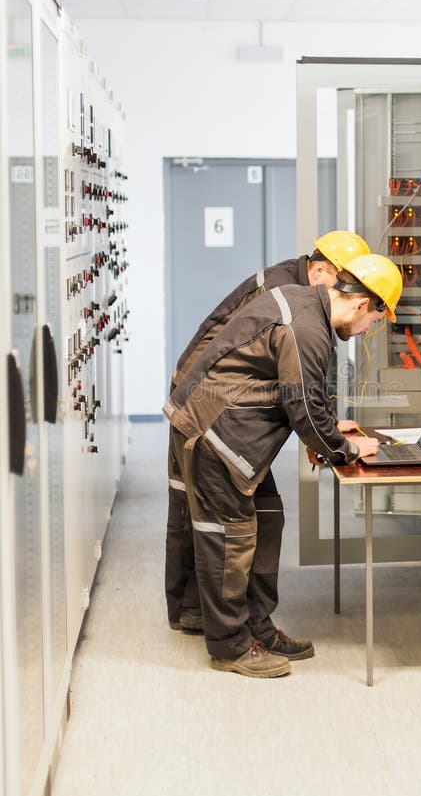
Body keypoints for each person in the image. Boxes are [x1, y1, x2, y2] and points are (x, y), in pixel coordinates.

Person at [163, 253, 403, 678]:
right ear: (363, 304)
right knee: (230, 536)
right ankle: (230, 646)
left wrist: (326, 430)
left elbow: (298, 390)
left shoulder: (305, 303)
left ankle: (257, 626)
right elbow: (304, 406)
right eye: (375, 323)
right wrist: (342, 449)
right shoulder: (307, 325)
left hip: (237, 430)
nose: (368, 332)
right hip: (217, 430)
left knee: (268, 519)